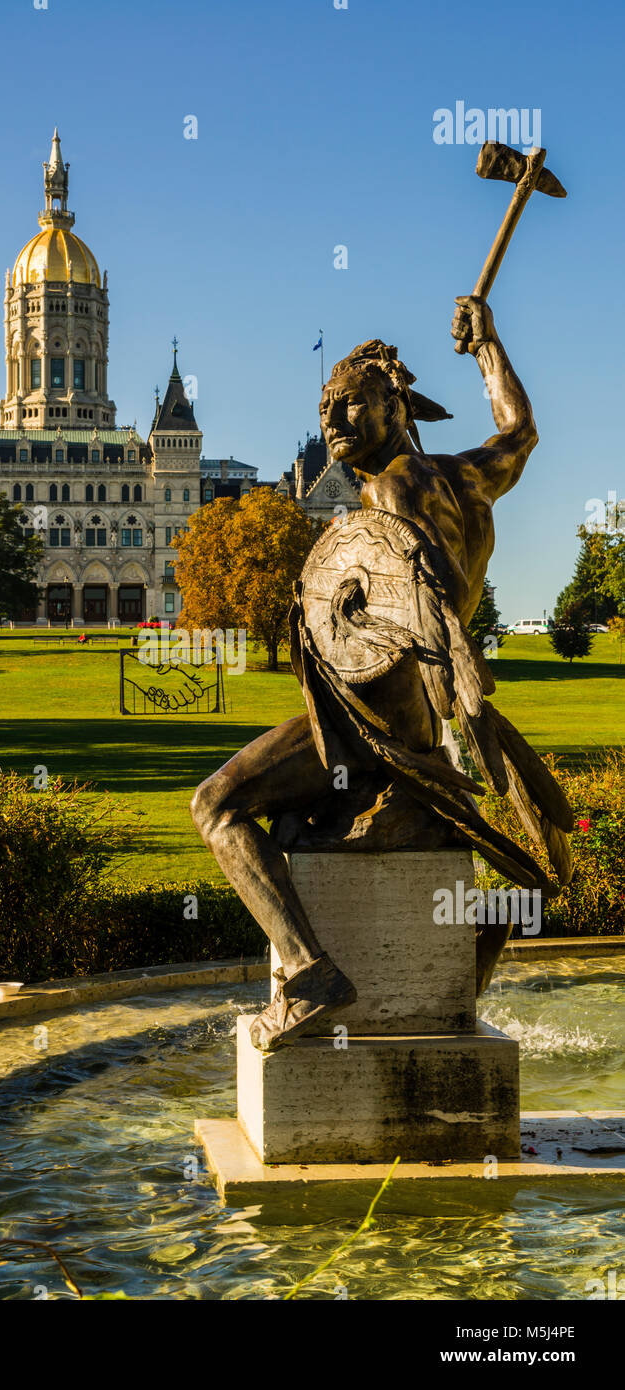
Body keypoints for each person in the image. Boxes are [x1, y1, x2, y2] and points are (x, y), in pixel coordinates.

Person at [191, 297, 573, 1051]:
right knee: (295, 820)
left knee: (216, 806)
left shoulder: (392, 493)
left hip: (380, 726)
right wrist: (488, 347)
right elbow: (519, 432)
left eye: (348, 404)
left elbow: (414, 606)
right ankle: (467, 952)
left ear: (395, 403)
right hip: (408, 721)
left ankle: (309, 977)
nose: (332, 421)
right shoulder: (461, 476)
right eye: (325, 408)